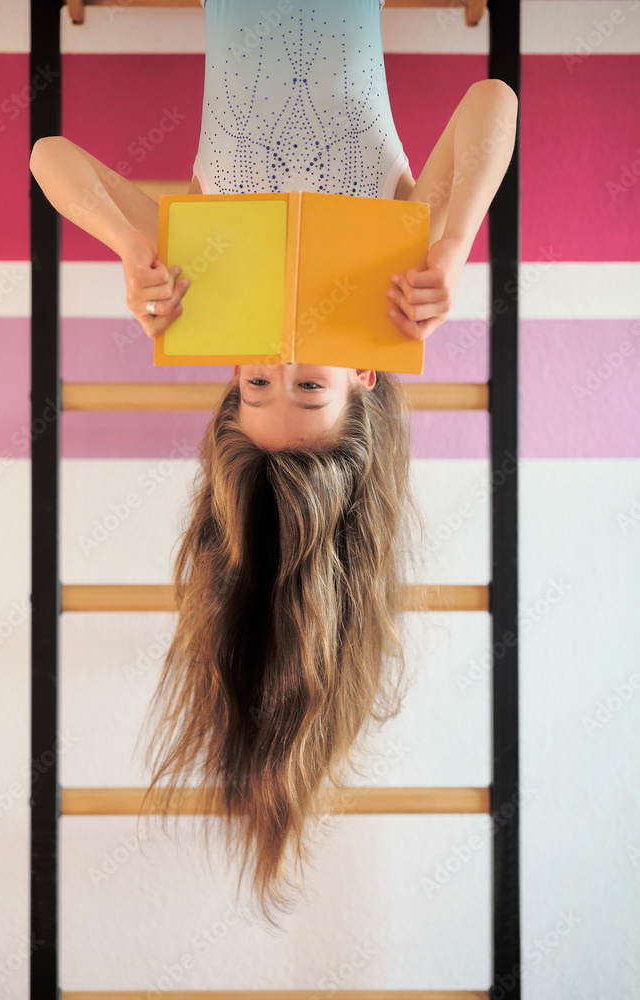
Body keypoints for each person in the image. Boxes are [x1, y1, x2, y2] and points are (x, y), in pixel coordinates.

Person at [29, 0, 517, 923]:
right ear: (363, 377)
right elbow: (494, 99)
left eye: (258, 385)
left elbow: (48, 157)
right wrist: (453, 241)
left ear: (231, 379)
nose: (284, 366)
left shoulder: (214, 279)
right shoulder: (392, 275)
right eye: (310, 392)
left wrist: (134, 245)